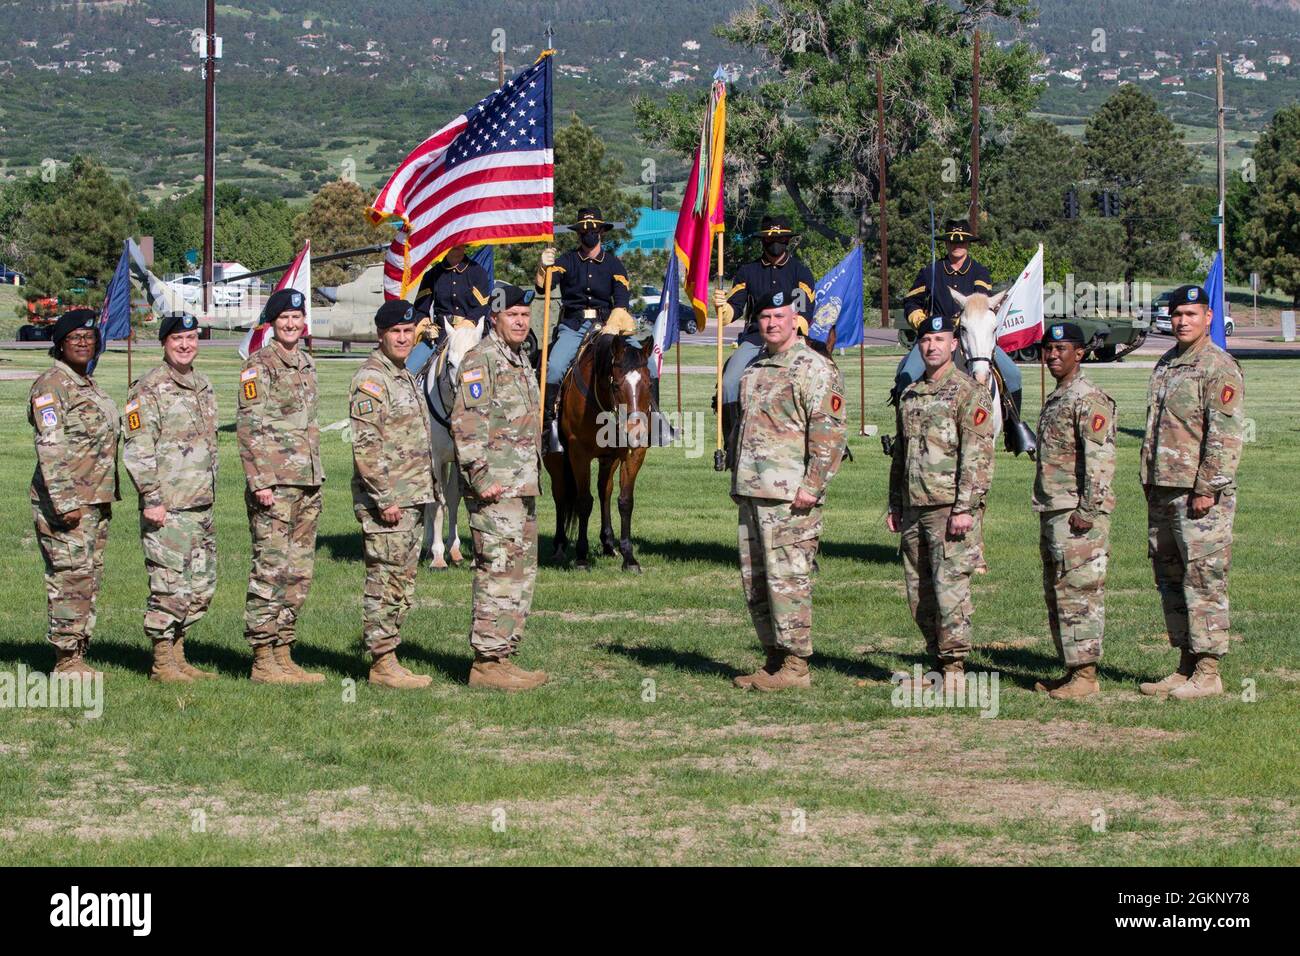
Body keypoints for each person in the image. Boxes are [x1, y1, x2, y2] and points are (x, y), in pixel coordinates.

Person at [730, 290, 846, 690]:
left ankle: (796, 666)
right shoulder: (753, 368)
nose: (771, 323)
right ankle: (774, 658)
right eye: (764, 317)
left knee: (789, 580)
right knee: (758, 582)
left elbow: (830, 433)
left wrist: (812, 487)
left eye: (779, 316)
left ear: (794, 319)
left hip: (791, 498)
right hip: (752, 491)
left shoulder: (813, 368)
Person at [1139, 284, 1245, 700]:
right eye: (1177, 314)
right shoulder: (1167, 363)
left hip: (1199, 494)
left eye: (1191, 314)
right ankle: (1184, 663)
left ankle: (1209, 670)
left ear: (1208, 317)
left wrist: (1207, 487)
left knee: (1204, 578)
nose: (1182, 321)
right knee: (1170, 578)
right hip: (1163, 489)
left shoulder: (1218, 366)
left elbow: (1225, 435)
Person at [886, 314, 995, 693]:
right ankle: (935, 660)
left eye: (939, 339)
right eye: (925, 340)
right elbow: (901, 454)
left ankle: (954, 669)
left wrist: (965, 508)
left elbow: (977, 457)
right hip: (915, 506)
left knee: (951, 591)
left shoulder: (968, 392)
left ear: (954, 344)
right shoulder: (910, 394)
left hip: (950, 508)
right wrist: (895, 503)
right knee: (919, 591)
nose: (931, 346)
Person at [451, 284, 547, 691]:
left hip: (521, 486)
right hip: (495, 489)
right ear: (495, 318)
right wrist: (482, 478)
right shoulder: (481, 361)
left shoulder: (520, 360)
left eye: (526, 315)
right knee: (496, 573)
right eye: (513, 315)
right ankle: (486, 664)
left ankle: (504, 655)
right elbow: (466, 423)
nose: (522, 322)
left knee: (518, 575)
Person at [123, 312, 220, 683]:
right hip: (167, 506)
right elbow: (137, 447)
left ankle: (179, 655)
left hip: (200, 504)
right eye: (177, 338)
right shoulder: (148, 388)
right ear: (164, 343)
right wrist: (151, 497)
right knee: (169, 586)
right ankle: (163, 662)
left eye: (191, 338)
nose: (185, 345)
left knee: (200, 586)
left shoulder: (203, 385)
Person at [236, 288, 326, 685]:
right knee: (270, 570)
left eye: (297, 318)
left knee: (299, 572)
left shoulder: (306, 363)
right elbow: (249, 426)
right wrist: (260, 482)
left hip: (307, 482)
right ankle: (261, 656)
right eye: (284, 319)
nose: (291, 324)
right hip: (274, 485)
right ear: (271, 324)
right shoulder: (259, 367)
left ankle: (283, 650)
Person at [350, 299, 439, 690]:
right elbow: (366, 446)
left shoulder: (402, 374)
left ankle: (390, 658)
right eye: (396, 333)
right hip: (389, 503)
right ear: (380, 335)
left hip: (411, 497)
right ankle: (382, 664)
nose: (403, 338)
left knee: (401, 583)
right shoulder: (373, 379)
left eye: (408, 332)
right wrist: (384, 498)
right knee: (385, 582)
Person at [28, 309, 120, 675]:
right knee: (69, 578)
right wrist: (65, 503)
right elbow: (50, 448)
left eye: (89, 336)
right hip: (67, 504)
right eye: (74, 337)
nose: (83, 343)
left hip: (95, 501)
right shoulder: (52, 385)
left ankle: (78, 651)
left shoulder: (86, 383)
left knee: (87, 579)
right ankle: (66, 660)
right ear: (60, 344)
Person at [1032, 322, 1117, 700]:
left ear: (1079, 354)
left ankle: (1086, 676)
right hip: (1055, 509)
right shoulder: (1059, 396)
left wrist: (1088, 509)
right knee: (1060, 593)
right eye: (1047, 349)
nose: (1052, 355)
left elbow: (1101, 459)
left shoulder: (1088, 397)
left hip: (1076, 514)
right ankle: (1072, 670)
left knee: (1079, 592)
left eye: (1061, 349)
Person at [534, 207, 638, 453]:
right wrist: (542, 267)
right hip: (573, 326)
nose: (588, 235)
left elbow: (622, 298)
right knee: (555, 368)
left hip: (608, 324)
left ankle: (653, 418)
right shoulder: (566, 261)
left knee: (644, 362)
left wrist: (614, 323)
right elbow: (545, 289)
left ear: (602, 231)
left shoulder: (614, 264)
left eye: (593, 230)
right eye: (583, 231)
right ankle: (548, 426)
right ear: (578, 234)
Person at [712, 216, 815, 459]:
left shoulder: (800, 271)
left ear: (788, 240)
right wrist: (723, 308)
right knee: (728, 383)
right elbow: (736, 307)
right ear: (762, 242)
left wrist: (792, 332)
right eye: (770, 240)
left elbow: (804, 310)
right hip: (756, 338)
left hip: (791, 339)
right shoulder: (748, 271)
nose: (775, 244)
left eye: (779, 239)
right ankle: (732, 443)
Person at [895, 218, 1022, 412]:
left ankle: (1014, 431)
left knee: (1013, 375)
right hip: (935, 338)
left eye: (962, 241)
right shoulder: (930, 272)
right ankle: (903, 433)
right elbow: (911, 302)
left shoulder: (980, 272)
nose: (957, 246)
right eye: (953, 241)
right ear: (946, 243)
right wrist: (923, 324)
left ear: (968, 243)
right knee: (907, 375)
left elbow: (981, 303)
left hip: (971, 338)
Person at [412, 244, 491, 339]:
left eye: (460, 241)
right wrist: (426, 327)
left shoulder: (478, 272)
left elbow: (483, 307)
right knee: (416, 354)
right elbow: (420, 310)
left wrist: (469, 322)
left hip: (471, 333)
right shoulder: (431, 274)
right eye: (452, 240)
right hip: (439, 335)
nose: (456, 244)